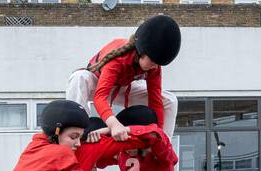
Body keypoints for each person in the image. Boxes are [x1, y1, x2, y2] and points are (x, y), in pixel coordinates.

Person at [65, 14, 181, 143]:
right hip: (98, 84)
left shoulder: (154, 67)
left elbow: (155, 102)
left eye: (159, 64)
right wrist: (114, 124)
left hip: (122, 88)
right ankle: (77, 133)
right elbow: (100, 97)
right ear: (141, 52)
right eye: (153, 61)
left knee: (169, 100)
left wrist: (157, 132)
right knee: (79, 77)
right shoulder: (119, 59)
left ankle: (164, 143)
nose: (155, 66)